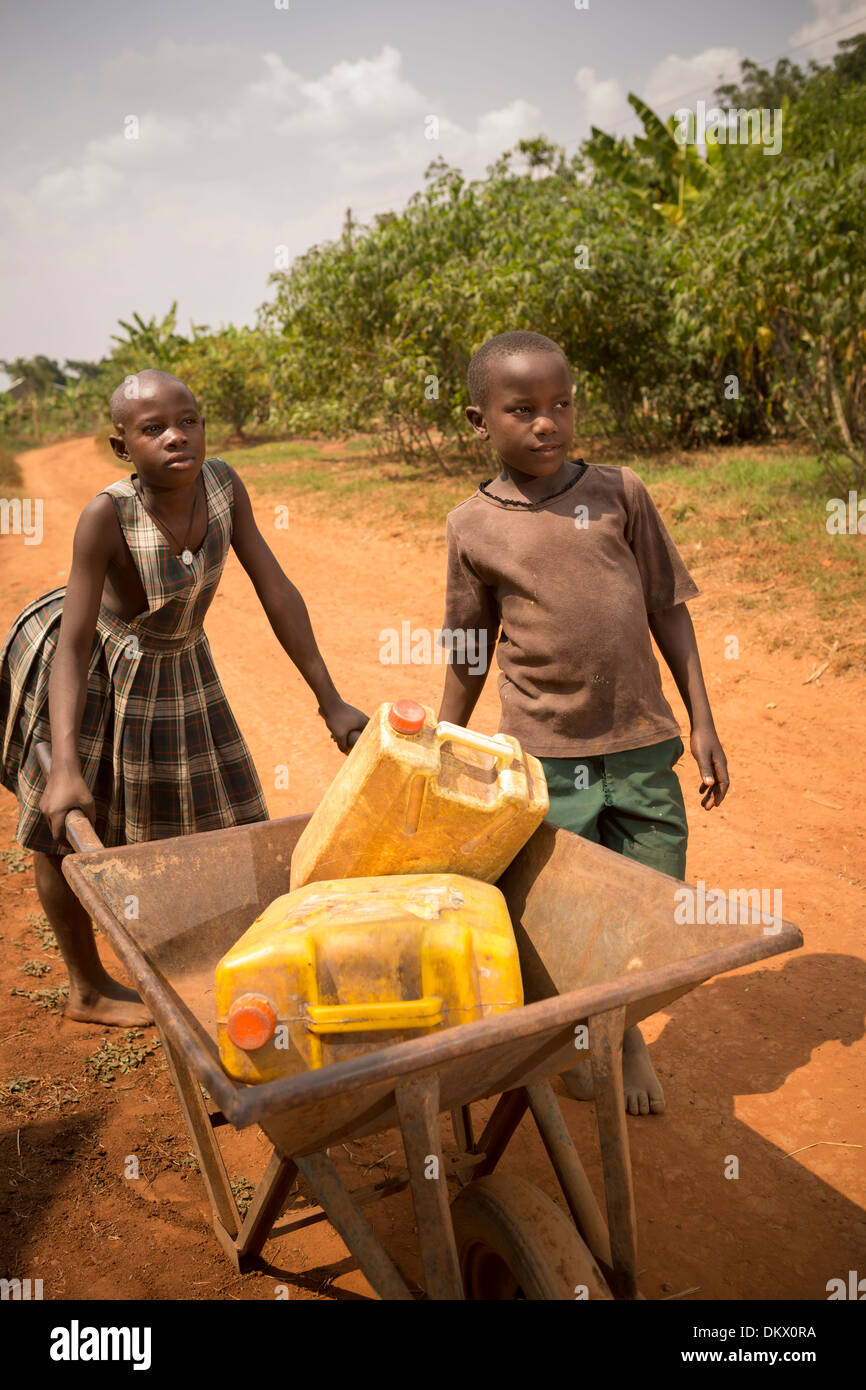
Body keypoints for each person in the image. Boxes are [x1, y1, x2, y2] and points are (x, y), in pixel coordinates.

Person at [0, 369, 367, 1027]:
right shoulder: (105, 516)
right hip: (87, 670)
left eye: (188, 420)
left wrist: (330, 700)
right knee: (60, 828)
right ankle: (85, 987)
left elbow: (275, 589)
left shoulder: (223, 486)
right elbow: (77, 642)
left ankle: (230, 961)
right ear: (122, 447)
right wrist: (62, 765)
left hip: (178, 666)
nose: (177, 437)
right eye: (153, 429)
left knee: (226, 813)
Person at [438, 331, 729, 1115]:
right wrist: (442, 743)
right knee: (566, 909)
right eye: (523, 409)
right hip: (546, 752)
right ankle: (612, 1038)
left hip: (639, 741)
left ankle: (618, 1022)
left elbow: (667, 607)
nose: (547, 424)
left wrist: (702, 720)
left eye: (561, 405)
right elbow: (470, 650)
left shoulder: (620, 492)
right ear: (479, 420)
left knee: (650, 899)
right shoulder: (472, 527)